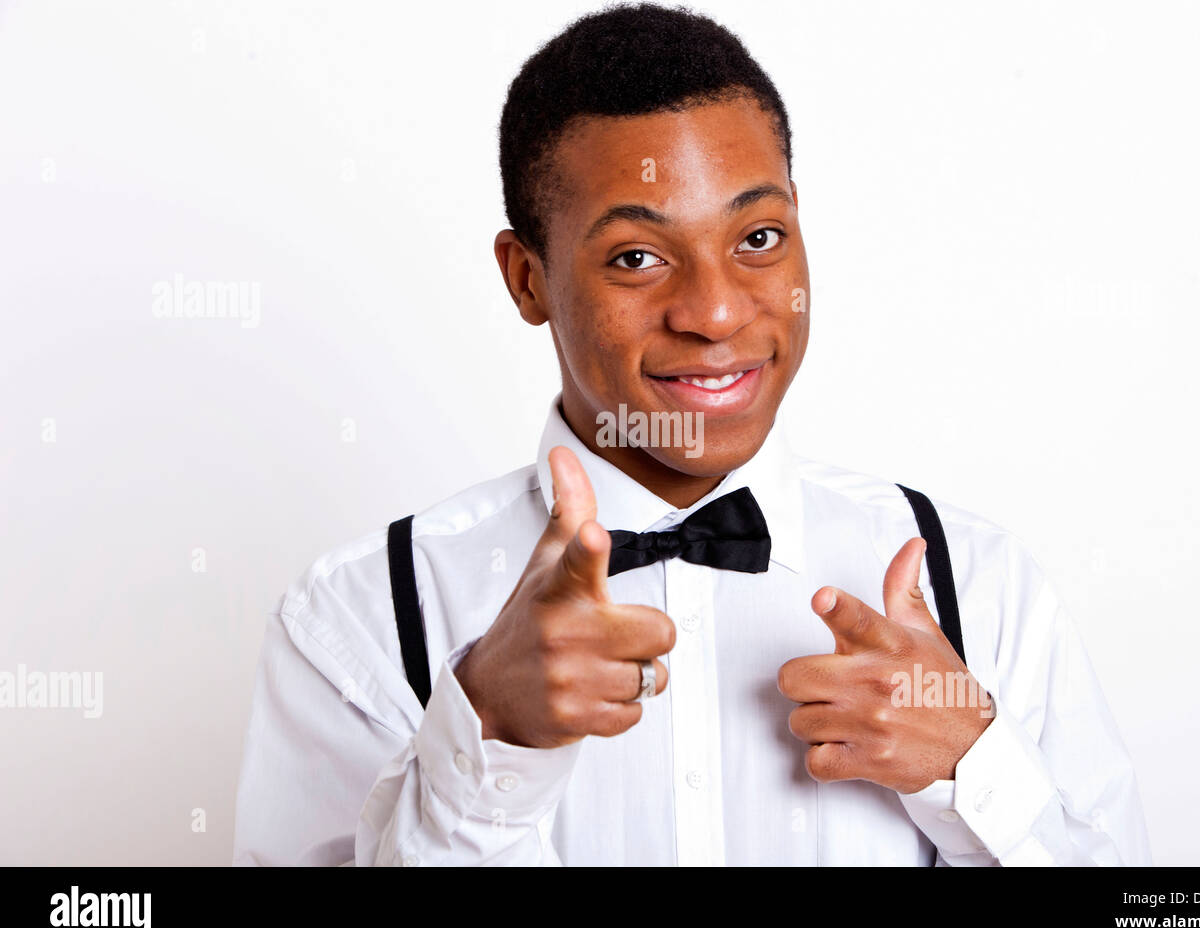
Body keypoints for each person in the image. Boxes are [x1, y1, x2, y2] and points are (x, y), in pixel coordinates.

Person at [233, 2, 1150, 866]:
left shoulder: (977, 586)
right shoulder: (358, 619)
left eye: (757, 238)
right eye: (637, 257)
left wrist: (973, 768)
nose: (715, 312)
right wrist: (485, 741)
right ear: (527, 280)